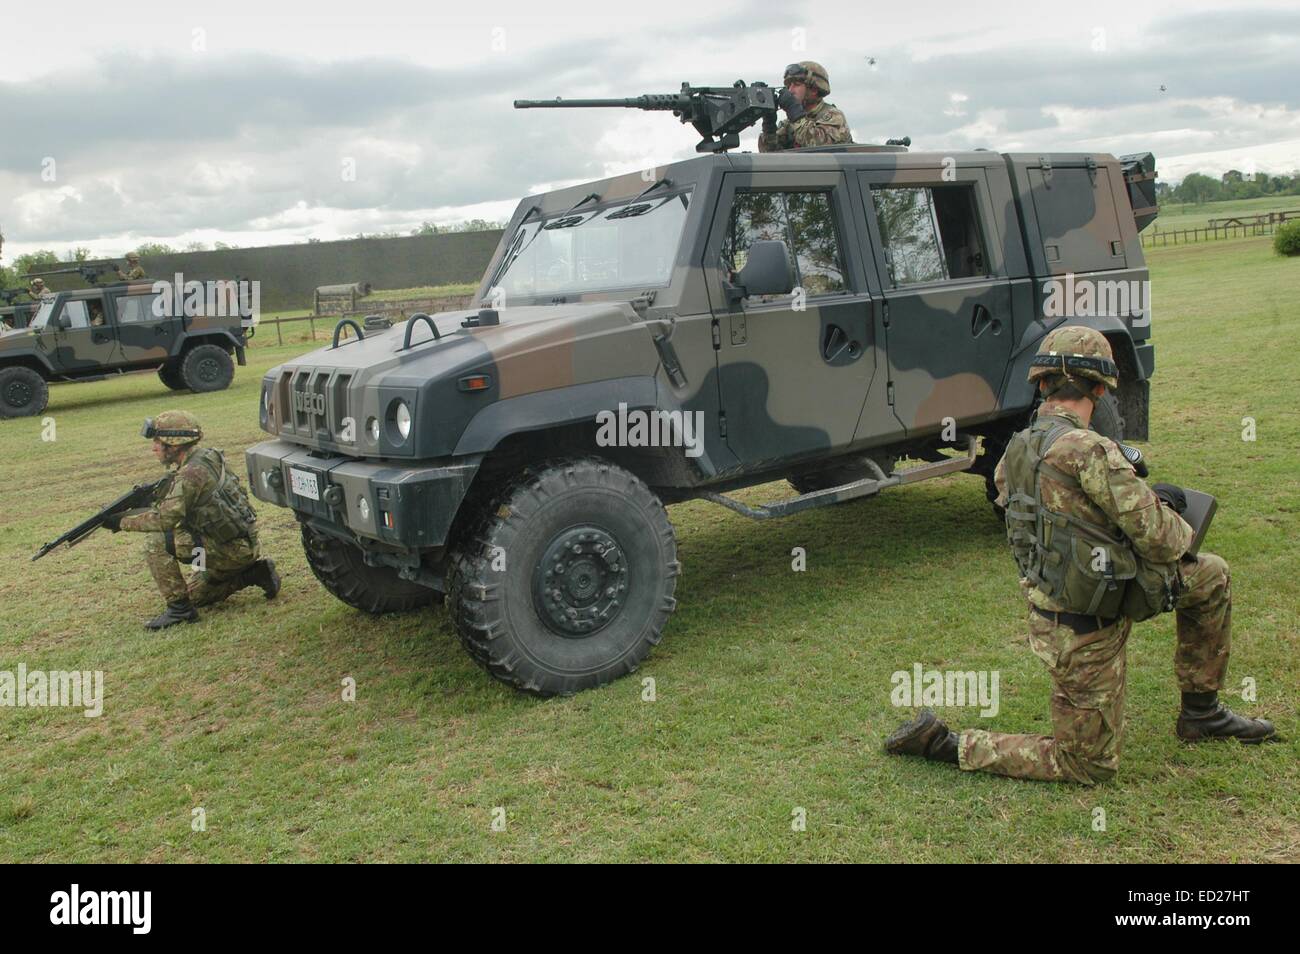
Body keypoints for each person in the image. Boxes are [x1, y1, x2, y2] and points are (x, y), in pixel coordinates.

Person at [885, 326, 1274, 784]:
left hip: (1068, 606)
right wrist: (1161, 502)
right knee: (1086, 764)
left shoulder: (1016, 449)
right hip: (1086, 625)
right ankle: (946, 743)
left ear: (1043, 384)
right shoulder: (1091, 450)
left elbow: (1046, 514)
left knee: (1209, 577)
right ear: (1099, 387)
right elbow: (1169, 542)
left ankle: (1202, 715)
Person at [103, 410, 280, 629]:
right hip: (240, 543)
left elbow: (164, 520)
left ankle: (180, 610)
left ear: (174, 444)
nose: (153, 448)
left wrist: (120, 522)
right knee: (196, 596)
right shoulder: (208, 456)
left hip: (230, 549)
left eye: (158, 441)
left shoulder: (190, 474)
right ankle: (254, 574)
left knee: (156, 542)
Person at [758, 61, 853, 153]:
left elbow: (819, 146)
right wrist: (769, 124)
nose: (790, 90)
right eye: (788, 86)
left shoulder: (834, 116)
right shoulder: (789, 124)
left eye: (796, 85)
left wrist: (794, 110)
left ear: (814, 90)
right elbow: (771, 154)